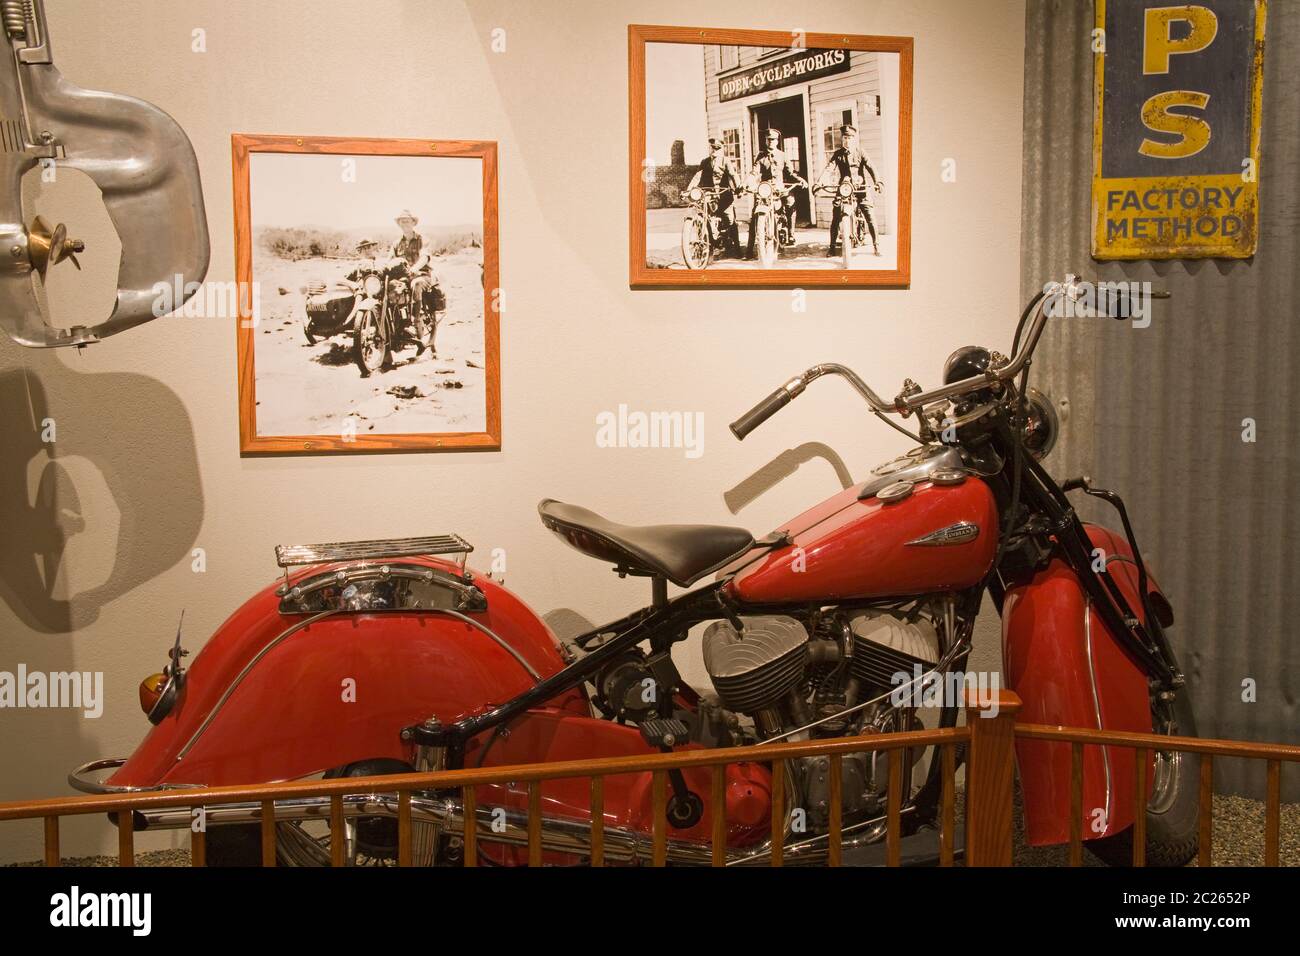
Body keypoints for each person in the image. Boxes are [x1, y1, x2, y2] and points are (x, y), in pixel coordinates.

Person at [817, 124, 883, 257]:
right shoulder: (838, 154)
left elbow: (871, 167)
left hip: (860, 190)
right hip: (844, 189)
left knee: (870, 216)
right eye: (845, 138)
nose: (847, 140)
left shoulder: (860, 152)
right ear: (842, 139)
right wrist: (819, 182)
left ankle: (877, 246)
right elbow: (829, 169)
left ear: (854, 139)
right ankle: (832, 247)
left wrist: (878, 181)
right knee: (836, 217)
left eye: (850, 138)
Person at [746, 128, 806, 260]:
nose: (770, 142)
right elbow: (754, 172)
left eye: (773, 140)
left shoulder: (783, 155)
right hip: (765, 189)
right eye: (768, 140)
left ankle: (791, 234)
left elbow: (790, 172)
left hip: (779, 188)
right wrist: (747, 182)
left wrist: (800, 179)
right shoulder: (760, 156)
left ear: (777, 141)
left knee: (790, 202)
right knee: (755, 215)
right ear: (765, 141)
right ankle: (749, 250)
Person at [391, 209, 442, 355]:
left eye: (407, 220)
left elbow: (425, 257)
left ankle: (416, 318)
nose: (405, 223)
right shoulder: (396, 243)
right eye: (402, 221)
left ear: (413, 223)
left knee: (416, 284)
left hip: (422, 275)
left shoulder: (422, 239)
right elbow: (390, 260)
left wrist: (414, 269)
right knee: (390, 289)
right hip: (404, 278)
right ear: (399, 224)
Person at [686, 138, 742, 258]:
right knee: (703, 218)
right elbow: (697, 176)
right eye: (712, 148)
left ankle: (737, 249)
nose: (715, 150)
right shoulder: (704, 162)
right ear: (710, 148)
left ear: (721, 149)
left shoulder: (725, 161)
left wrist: (738, 188)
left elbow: (733, 175)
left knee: (730, 221)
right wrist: (689, 190)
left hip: (724, 196)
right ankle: (704, 247)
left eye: (717, 148)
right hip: (709, 196)